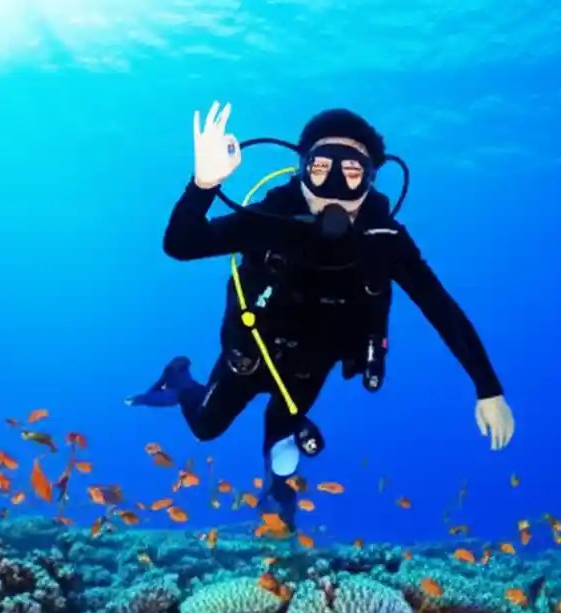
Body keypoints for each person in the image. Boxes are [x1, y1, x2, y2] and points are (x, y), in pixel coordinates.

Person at [129, 101, 515, 529]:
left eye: (351, 174)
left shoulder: (383, 240)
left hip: (312, 365)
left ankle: (277, 491)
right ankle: (180, 378)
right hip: (250, 354)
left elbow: (441, 308)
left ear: (369, 182)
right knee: (205, 428)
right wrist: (204, 185)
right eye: (321, 170)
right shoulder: (270, 218)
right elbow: (181, 244)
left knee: (283, 432)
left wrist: (488, 388)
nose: (333, 189)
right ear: (301, 171)